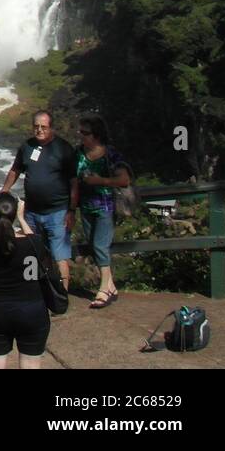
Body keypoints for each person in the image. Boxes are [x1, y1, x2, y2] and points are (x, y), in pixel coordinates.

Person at [0, 109, 77, 291]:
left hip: (57, 212)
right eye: (36, 126)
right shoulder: (27, 147)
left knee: (60, 256)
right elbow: (15, 170)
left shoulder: (64, 149)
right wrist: (3, 191)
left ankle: (62, 295)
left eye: (44, 127)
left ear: (52, 128)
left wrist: (72, 210)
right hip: (32, 213)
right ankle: (38, 292)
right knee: (34, 254)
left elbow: (74, 182)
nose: (39, 130)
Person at [0, 192, 50, 369]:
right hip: (31, 310)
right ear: (16, 213)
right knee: (30, 363)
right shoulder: (33, 244)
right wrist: (22, 219)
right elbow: (36, 242)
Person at [76, 114, 130, 309]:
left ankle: (103, 290)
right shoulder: (79, 153)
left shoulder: (110, 154)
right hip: (86, 206)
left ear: (96, 135)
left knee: (100, 245)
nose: (81, 135)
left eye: (85, 132)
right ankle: (111, 286)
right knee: (93, 244)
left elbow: (124, 180)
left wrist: (101, 181)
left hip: (106, 206)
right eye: (80, 132)